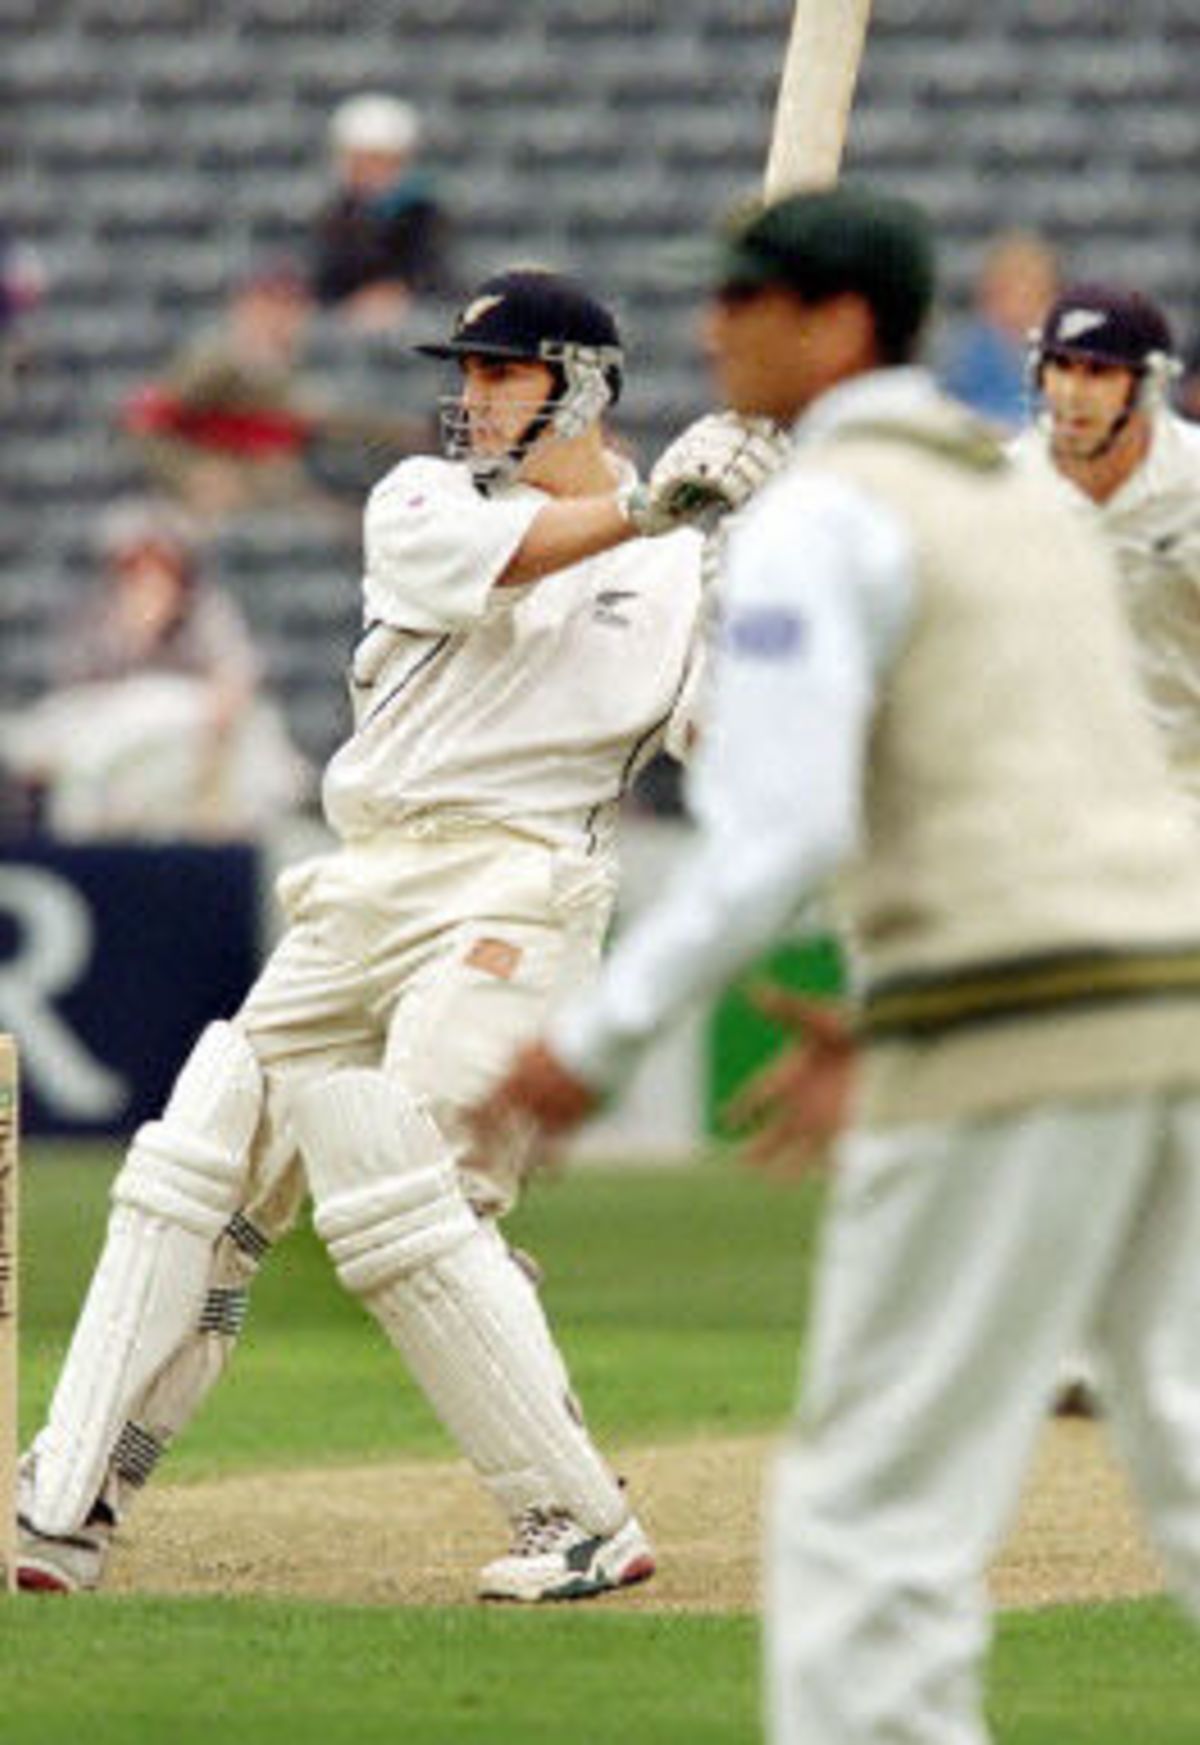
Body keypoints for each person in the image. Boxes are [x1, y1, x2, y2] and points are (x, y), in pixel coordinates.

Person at [472, 187, 1200, 1742]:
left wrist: (596, 1037)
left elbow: (778, 829)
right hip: (1162, 1003)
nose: (711, 328)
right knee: (1190, 1467)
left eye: (750, 299)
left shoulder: (829, 509)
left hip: (1011, 1026)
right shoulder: (1018, 500)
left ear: (841, 321)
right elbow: (1036, 793)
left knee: (869, 1519)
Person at [16, 266, 784, 1600]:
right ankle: (67, 1498)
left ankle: (576, 1518)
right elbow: (525, 564)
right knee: (196, 1158)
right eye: (468, 373)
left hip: (522, 886)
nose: (472, 397)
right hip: (366, 880)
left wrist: (755, 552)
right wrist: (662, 508)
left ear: (583, 386)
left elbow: (731, 742)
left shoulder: (682, 562)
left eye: (502, 374)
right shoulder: (423, 502)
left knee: (401, 1184)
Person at [0, 497, 308, 840]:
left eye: (159, 566)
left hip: (186, 748)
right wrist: (132, 636)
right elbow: (75, 695)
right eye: (136, 566)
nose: (148, 578)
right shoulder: (96, 614)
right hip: (110, 747)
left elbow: (233, 686)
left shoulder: (207, 613)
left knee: (258, 742)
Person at [311, 92, 456, 328]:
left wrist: (398, 295)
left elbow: (435, 277)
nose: (369, 171)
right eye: (360, 161)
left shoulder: (424, 217)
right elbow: (325, 282)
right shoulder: (336, 218)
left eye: (379, 161)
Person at [937, 227, 1060, 430]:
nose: (1019, 306)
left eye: (1031, 292)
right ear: (987, 297)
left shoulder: (1071, 365)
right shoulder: (965, 363)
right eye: (1008, 291)